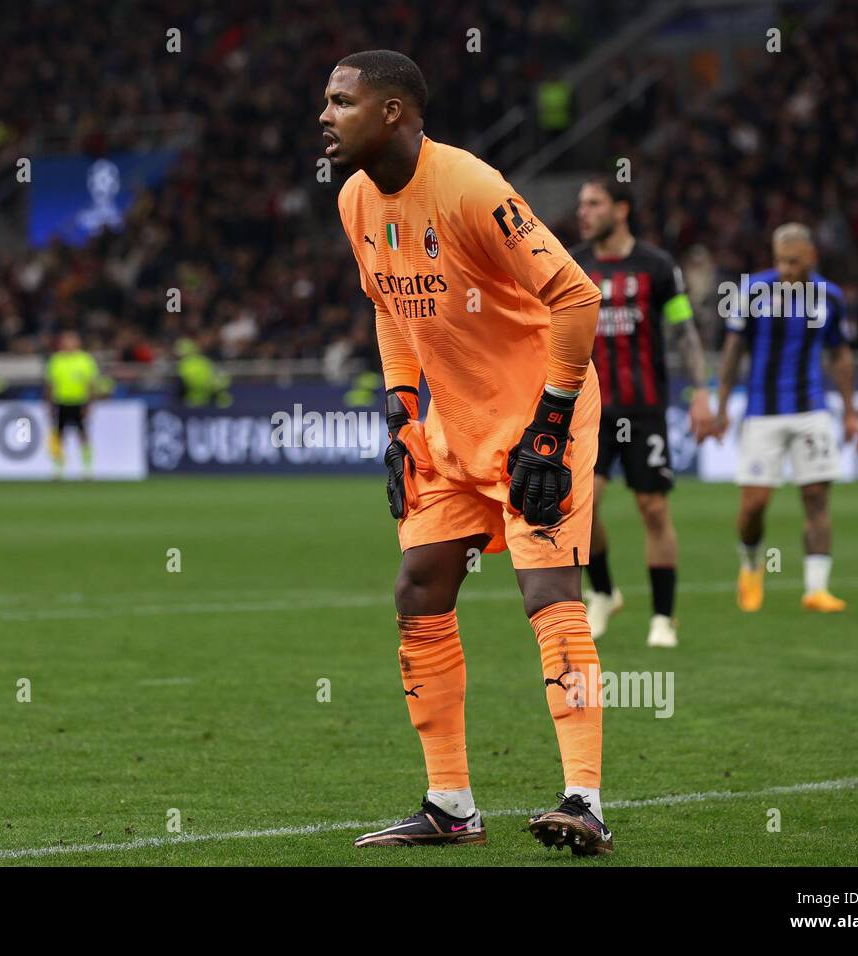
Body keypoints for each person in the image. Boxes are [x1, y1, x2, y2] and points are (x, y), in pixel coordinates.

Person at [323, 50, 610, 855]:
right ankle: (451, 804)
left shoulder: (471, 187)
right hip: (449, 428)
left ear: (392, 113)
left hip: (537, 421)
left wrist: (551, 424)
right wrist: (398, 411)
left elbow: (578, 295)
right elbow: (387, 306)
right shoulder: (352, 199)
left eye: (342, 100)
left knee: (545, 587)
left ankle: (584, 800)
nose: (325, 114)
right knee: (419, 586)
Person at [571, 177, 717, 647]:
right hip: (590, 411)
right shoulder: (574, 265)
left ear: (621, 208)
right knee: (582, 504)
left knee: (652, 507)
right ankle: (604, 591)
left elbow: (683, 330)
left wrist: (700, 391)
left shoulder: (656, 266)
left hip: (644, 408)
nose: (584, 212)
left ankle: (662, 617)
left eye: (594, 204)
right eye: (581, 205)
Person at [714, 223, 858, 612]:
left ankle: (816, 589)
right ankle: (750, 565)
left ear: (811, 257)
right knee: (754, 505)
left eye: (794, 261)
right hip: (762, 412)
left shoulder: (829, 296)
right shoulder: (753, 292)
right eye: (780, 260)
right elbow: (732, 352)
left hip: (811, 410)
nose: (786, 268)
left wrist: (850, 412)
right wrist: (722, 405)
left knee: (815, 497)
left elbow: (841, 356)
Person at [44, 329, 99, 479]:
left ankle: (88, 468)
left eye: (71, 340)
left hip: (79, 402)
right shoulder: (56, 360)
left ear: (78, 342)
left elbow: (90, 385)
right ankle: (58, 468)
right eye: (66, 340)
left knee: (83, 435)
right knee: (59, 436)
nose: (68, 343)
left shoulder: (85, 360)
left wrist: (89, 405)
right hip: (61, 402)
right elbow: (50, 384)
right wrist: (49, 405)